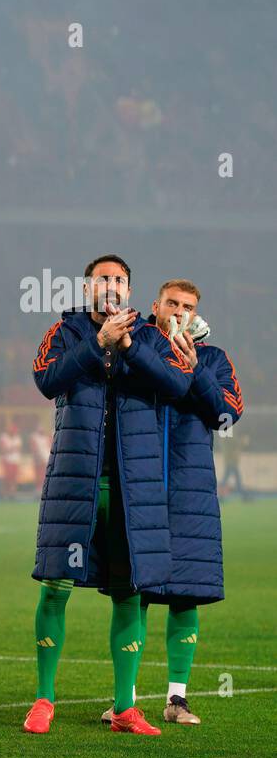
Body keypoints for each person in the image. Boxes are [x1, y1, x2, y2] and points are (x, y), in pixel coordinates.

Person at [26, 255, 193, 736]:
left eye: (120, 279)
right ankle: (43, 700)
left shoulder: (150, 338)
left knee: (127, 592)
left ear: (130, 289)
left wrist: (127, 346)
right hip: (75, 482)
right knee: (55, 588)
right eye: (104, 279)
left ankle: (124, 707)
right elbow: (45, 379)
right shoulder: (63, 333)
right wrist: (96, 344)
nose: (112, 285)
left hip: (131, 488)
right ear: (88, 287)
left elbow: (179, 384)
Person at [111, 279, 242, 726]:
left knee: (188, 593)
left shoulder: (214, 359)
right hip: (141, 484)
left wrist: (196, 368)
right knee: (135, 594)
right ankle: (124, 700)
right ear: (156, 305)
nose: (180, 311)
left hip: (191, 490)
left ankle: (177, 698)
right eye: (172, 303)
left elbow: (227, 414)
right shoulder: (134, 342)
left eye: (188, 306)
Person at [0, 421, 23, 499]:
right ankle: (4, 493)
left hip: (15, 461)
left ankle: (12, 493)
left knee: (14, 479)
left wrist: (10, 449)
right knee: (6, 478)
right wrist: (11, 449)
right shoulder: (3, 437)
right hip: (7, 460)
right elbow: (3, 449)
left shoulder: (17, 438)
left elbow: (18, 448)